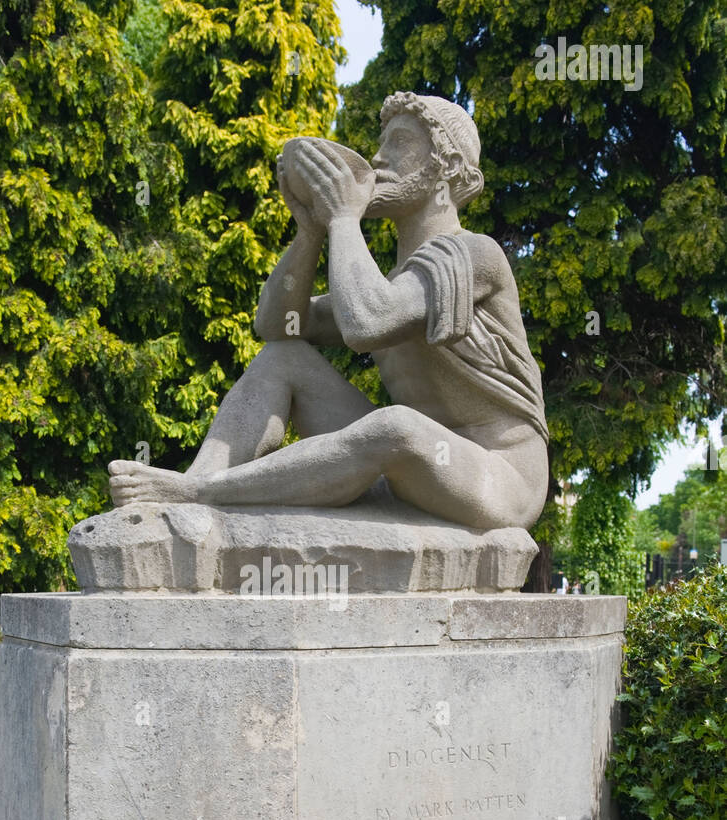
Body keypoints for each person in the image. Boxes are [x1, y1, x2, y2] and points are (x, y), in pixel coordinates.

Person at [110, 94, 549, 533]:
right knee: (284, 360)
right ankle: (186, 500)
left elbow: (369, 322)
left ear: (448, 166)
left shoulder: (474, 256)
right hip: (414, 468)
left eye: (399, 142)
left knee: (396, 426)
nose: (378, 157)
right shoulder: (394, 285)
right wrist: (310, 232)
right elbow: (279, 326)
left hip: (499, 480)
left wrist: (342, 218)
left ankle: (203, 493)